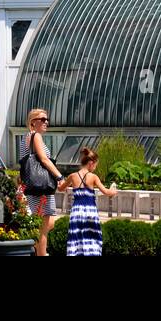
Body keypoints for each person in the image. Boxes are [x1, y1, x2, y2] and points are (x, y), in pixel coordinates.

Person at [19, 108, 63, 256]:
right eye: (42, 120)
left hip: (36, 186)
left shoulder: (27, 137)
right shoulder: (35, 136)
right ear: (33, 122)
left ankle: (37, 250)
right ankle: (42, 254)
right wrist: (59, 176)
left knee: (47, 223)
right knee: (43, 227)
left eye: (47, 119)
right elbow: (44, 159)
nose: (46, 122)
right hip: (40, 186)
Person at [64, 147, 118, 256]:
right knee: (93, 237)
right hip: (90, 211)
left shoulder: (72, 176)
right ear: (90, 163)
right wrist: (113, 190)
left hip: (76, 212)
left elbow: (60, 188)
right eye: (95, 165)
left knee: (76, 237)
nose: (95, 167)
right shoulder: (93, 177)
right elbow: (107, 192)